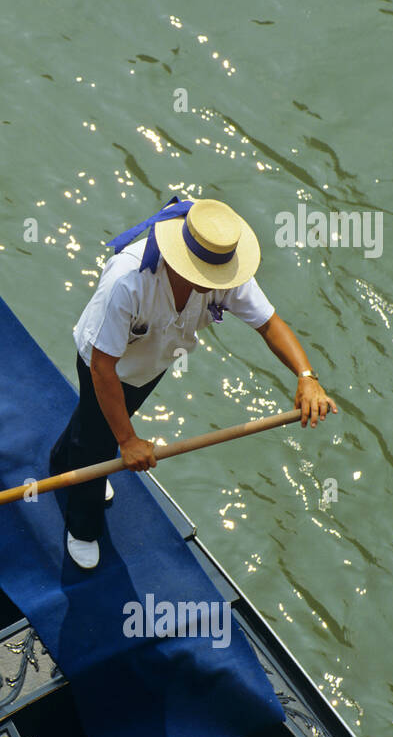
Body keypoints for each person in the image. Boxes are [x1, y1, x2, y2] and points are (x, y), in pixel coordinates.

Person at [50, 197, 338, 569]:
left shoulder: (225, 273)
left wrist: (306, 377)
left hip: (151, 363)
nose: (215, 286)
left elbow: (269, 324)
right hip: (104, 363)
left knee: (95, 427)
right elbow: (104, 368)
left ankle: (61, 461)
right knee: (97, 440)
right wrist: (128, 441)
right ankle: (82, 526)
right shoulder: (128, 282)